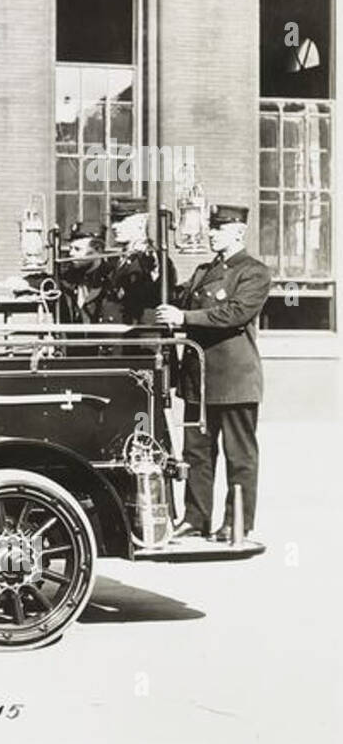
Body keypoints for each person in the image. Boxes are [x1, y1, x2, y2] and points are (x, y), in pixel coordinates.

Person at [157, 204, 272, 541]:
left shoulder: (253, 272)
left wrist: (185, 319)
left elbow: (234, 313)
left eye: (219, 228)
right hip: (200, 380)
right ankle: (196, 519)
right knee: (196, 454)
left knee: (240, 457)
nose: (211, 233)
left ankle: (236, 523)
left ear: (238, 231)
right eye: (211, 227)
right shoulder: (203, 271)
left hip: (234, 380)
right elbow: (175, 297)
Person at [99, 196, 173, 325]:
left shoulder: (152, 258)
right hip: (118, 338)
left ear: (141, 222)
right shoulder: (120, 259)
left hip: (140, 337)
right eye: (113, 220)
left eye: (122, 219)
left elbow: (153, 291)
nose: (114, 226)